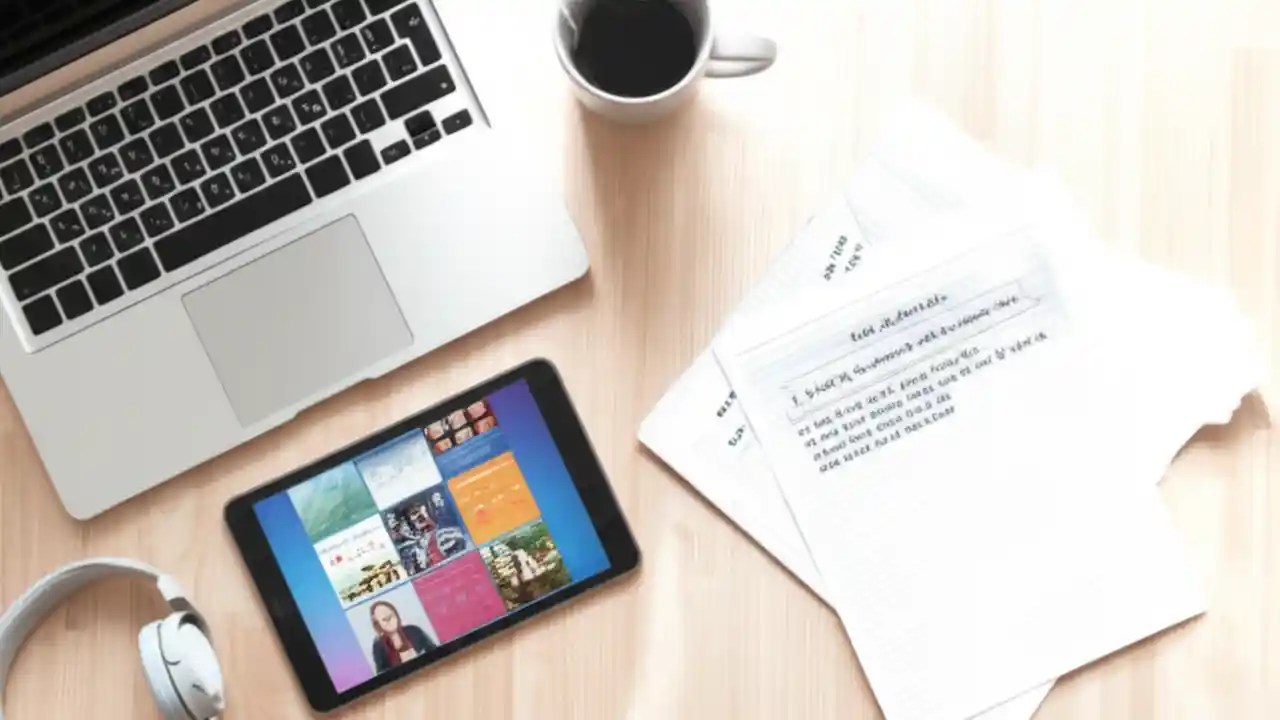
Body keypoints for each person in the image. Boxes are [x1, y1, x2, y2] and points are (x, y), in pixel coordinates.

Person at [370, 601, 435, 672]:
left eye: (390, 616)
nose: (389, 621)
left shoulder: (414, 630)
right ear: (378, 624)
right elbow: (382, 674)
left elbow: (434, 651)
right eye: (384, 619)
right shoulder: (378, 646)